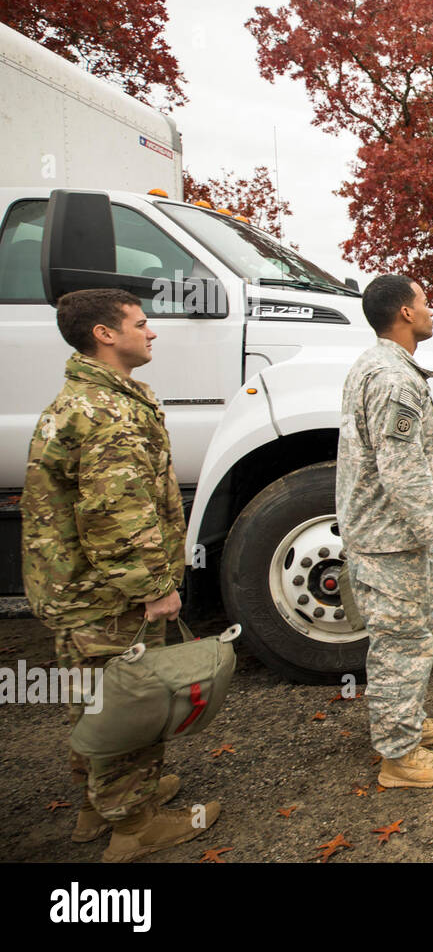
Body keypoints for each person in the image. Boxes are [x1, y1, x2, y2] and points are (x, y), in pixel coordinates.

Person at [22, 288, 219, 862]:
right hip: (107, 596)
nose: (151, 332)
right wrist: (153, 589)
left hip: (78, 590)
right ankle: (133, 826)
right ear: (105, 335)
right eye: (139, 323)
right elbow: (115, 515)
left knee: (95, 697)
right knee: (128, 704)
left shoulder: (90, 398)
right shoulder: (105, 412)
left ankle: (96, 805)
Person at [337, 274, 433, 790]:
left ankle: (408, 722)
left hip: (387, 533)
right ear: (405, 314)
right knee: (401, 642)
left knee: (409, 637)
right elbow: (401, 470)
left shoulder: (377, 366)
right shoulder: (393, 379)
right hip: (390, 538)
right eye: (425, 301)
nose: (431, 310)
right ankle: (400, 757)